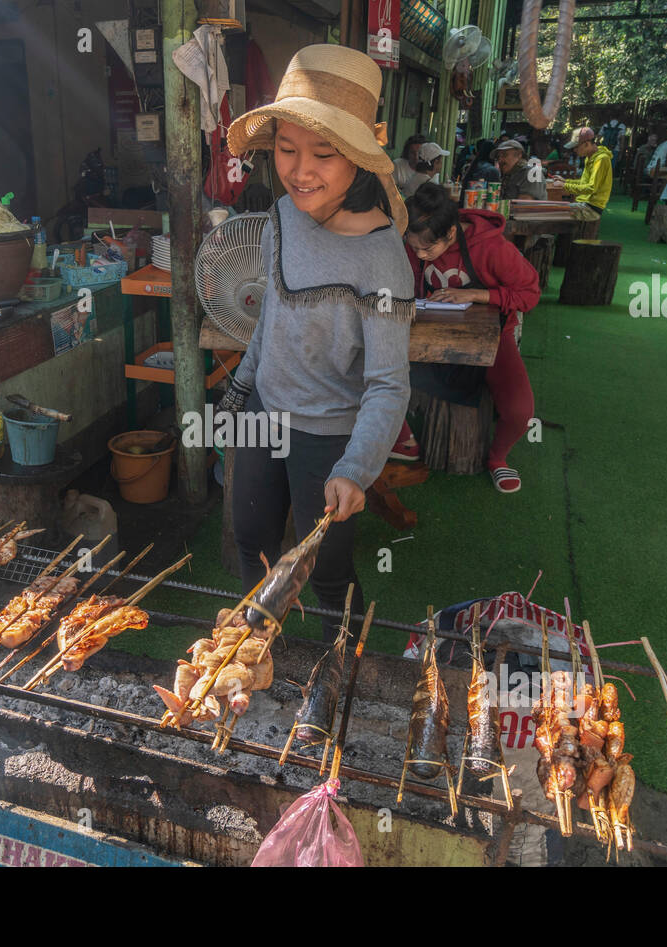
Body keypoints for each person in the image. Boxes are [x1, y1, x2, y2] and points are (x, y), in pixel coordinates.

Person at [222, 44, 414, 636]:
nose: (300, 171)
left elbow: (387, 384)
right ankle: (246, 665)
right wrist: (238, 392)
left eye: (323, 154)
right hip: (261, 416)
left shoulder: (384, 262)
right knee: (249, 546)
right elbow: (272, 318)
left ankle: (342, 675)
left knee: (326, 574)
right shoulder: (281, 215)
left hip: (327, 438)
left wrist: (356, 469)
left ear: (360, 158)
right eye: (285, 149)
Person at [403, 183, 540, 493]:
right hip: (427, 331)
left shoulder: (493, 248)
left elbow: (530, 294)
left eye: (427, 249)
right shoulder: (413, 242)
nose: (420, 255)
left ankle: (497, 458)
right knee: (377, 371)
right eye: (415, 249)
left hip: (492, 336)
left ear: (451, 233)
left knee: (520, 411)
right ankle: (403, 441)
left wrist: (476, 294)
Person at [552, 126, 612, 215]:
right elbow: (585, 182)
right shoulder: (590, 157)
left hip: (592, 207)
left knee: (554, 213)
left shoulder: (601, 159)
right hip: (584, 203)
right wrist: (565, 181)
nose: (574, 150)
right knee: (553, 208)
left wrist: (565, 185)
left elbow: (591, 188)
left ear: (587, 144)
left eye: (576, 147)